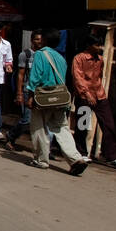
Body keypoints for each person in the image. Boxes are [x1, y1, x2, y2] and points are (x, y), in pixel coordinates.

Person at [25, 28, 90, 174]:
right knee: (62, 129)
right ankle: (75, 158)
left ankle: (41, 160)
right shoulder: (61, 58)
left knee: (38, 129)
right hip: (60, 98)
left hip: (43, 99)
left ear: (45, 40)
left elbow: (35, 77)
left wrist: (30, 96)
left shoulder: (40, 55)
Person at [71, 33, 116, 169]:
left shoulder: (100, 60)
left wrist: (96, 93)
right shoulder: (79, 58)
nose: (99, 47)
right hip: (84, 97)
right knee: (82, 125)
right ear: (89, 46)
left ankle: (114, 156)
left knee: (109, 125)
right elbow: (77, 78)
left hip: (100, 95)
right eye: (97, 45)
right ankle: (81, 152)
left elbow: (99, 77)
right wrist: (86, 93)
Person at [4, 29, 43, 151]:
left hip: (41, 92)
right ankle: (11, 136)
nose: (39, 42)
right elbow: (20, 75)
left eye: (41, 40)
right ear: (32, 40)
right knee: (27, 119)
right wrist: (19, 93)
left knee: (44, 122)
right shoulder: (25, 55)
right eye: (37, 39)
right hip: (27, 91)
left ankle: (44, 148)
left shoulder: (44, 55)